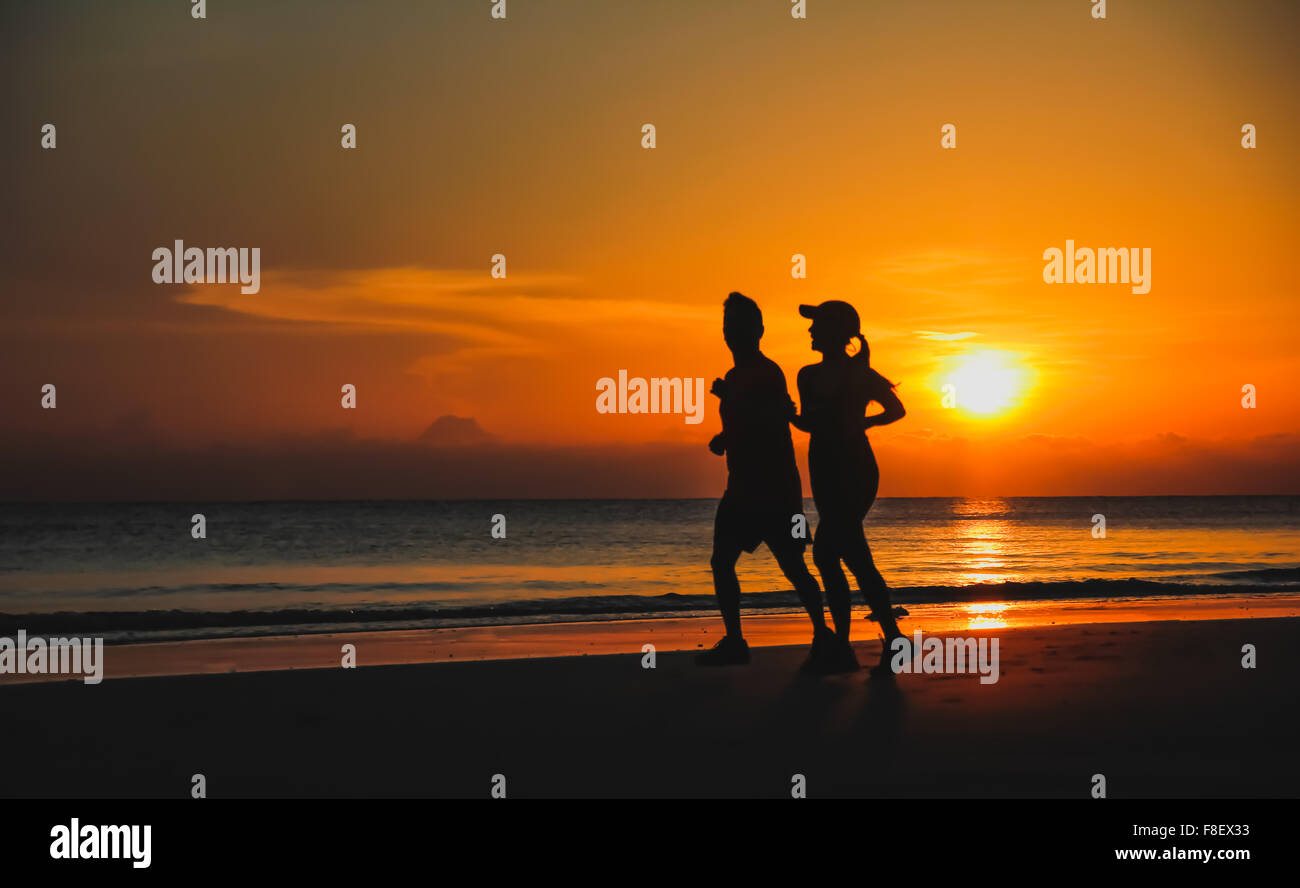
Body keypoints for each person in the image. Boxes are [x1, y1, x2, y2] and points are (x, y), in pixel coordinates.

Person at [697, 292, 833, 667]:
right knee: (721, 561)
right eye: (728, 327)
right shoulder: (735, 376)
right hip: (741, 488)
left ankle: (824, 635)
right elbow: (746, 422)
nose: (732, 334)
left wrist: (732, 407)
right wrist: (725, 437)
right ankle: (737, 641)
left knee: (794, 567)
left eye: (739, 327)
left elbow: (772, 422)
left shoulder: (768, 373)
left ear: (757, 330)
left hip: (775, 490)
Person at [791, 300, 905, 675]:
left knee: (827, 553)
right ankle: (891, 639)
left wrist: (863, 424)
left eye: (816, 325)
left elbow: (896, 409)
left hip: (854, 471)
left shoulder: (859, 374)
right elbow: (809, 424)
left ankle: (843, 645)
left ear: (834, 331)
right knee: (853, 554)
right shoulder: (807, 375)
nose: (809, 331)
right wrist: (789, 415)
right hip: (825, 469)